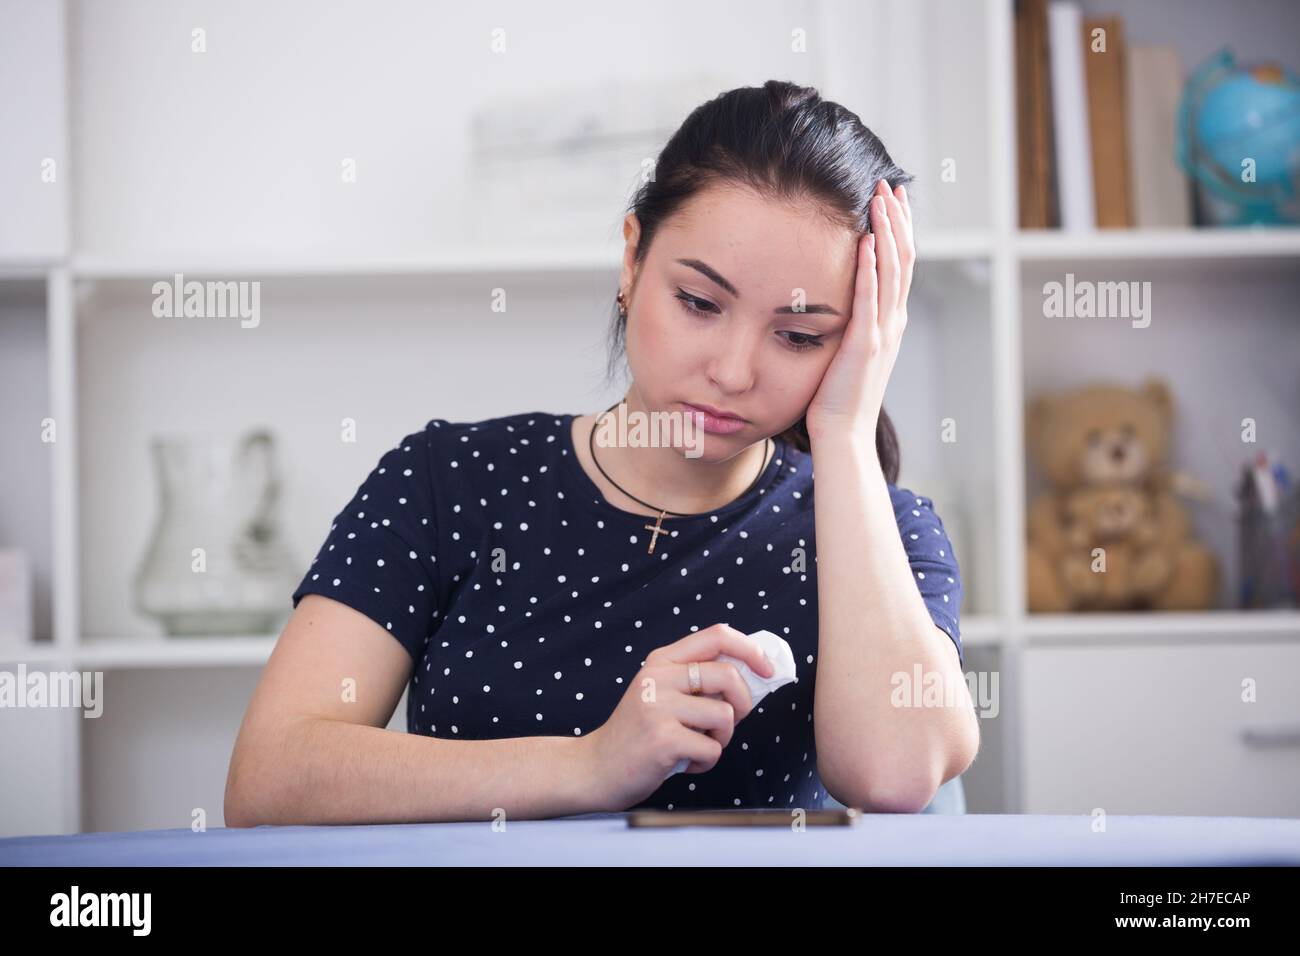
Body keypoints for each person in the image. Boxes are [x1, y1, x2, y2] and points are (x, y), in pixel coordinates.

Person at [224, 80, 979, 827]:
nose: (733, 371)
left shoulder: (882, 528)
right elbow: (272, 776)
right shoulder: (447, 482)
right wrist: (592, 763)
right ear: (633, 260)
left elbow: (894, 774)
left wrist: (844, 431)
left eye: (800, 335)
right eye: (699, 303)